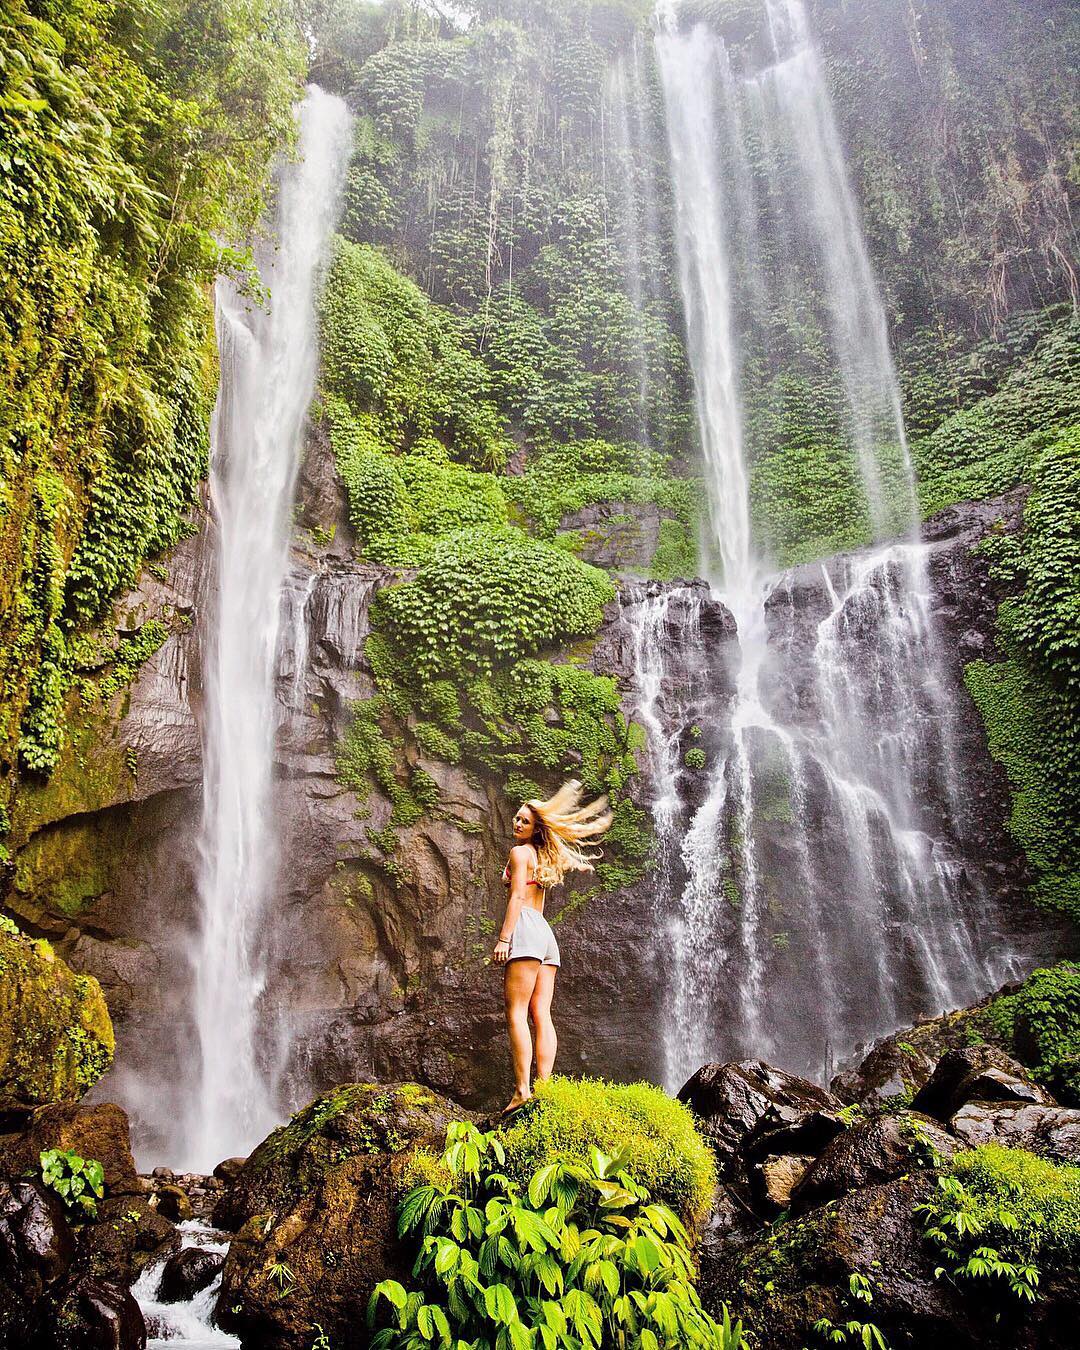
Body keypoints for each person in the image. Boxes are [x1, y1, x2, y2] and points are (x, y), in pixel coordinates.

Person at [492, 780, 612, 1113]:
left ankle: (522, 1091)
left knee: (516, 1012)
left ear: (535, 828)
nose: (517, 823)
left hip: (527, 929)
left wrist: (505, 939)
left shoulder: (519, 853)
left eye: (524, 821)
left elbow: (517, 896)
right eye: (516, 818)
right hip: (545, 936)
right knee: (541, 1013)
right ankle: (544, 1087)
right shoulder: (542, 856)